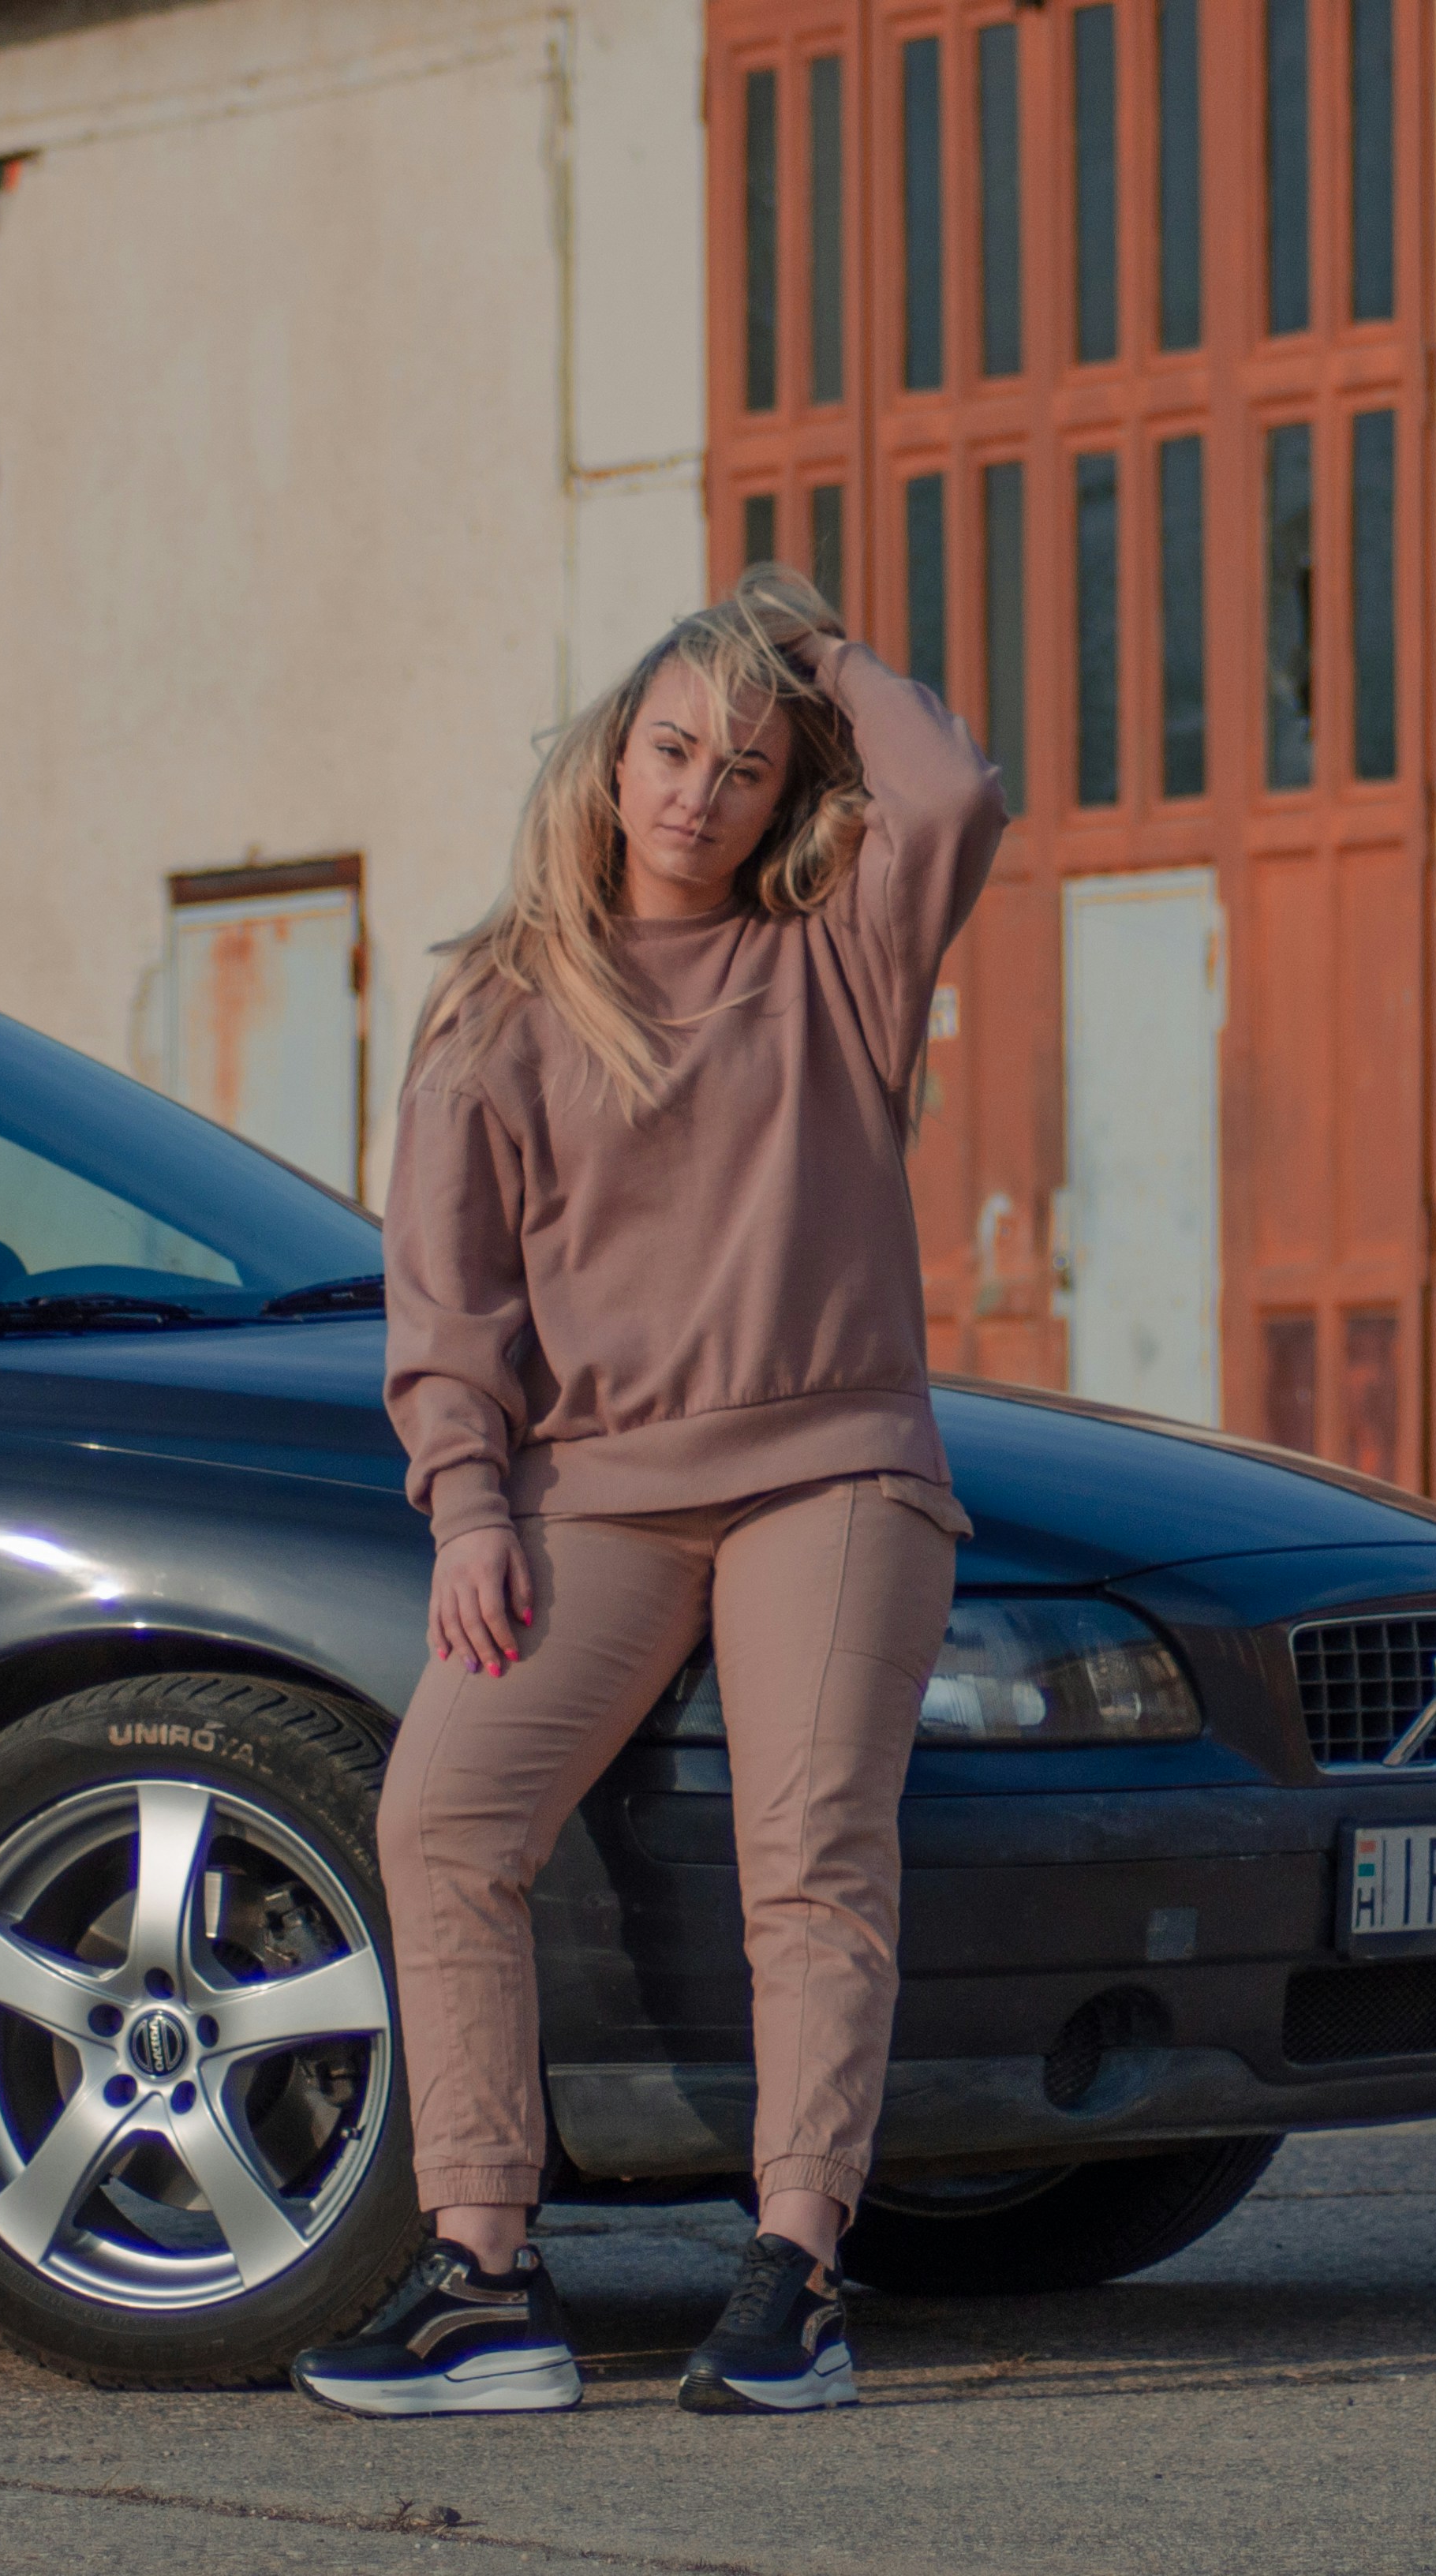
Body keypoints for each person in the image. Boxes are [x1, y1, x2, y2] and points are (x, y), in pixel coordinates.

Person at [292, 567, 1003, 2418]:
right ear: (615, 763)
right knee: (443, 1816)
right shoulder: (502, 1010)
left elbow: (955, 798)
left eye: (748, 765)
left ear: (788, 793)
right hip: (590, 1494)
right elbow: (450, 1310)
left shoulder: (835, 963)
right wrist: (467, 1509)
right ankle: (484, 2279)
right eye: (675, 747)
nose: (701, 789)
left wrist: (816, 648)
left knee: (811, 1858)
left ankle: (793, 2272)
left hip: (831, 1472)